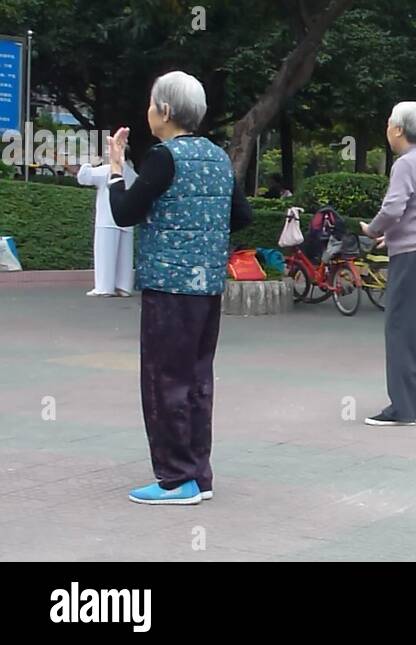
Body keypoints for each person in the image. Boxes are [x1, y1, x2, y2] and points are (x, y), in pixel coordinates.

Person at [105, 71, 252, 505]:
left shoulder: (162, 157)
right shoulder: (217, 157)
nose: (149, 111)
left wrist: (116, 169)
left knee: (163, 379)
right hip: (207, 288)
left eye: (152, 104)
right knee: (196, 380)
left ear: (165, 111)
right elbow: (241, 216)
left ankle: (175, 478)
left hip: (169, 288)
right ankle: (198, 474)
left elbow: (125, 212)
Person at [360, 101, 416, 426]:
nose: (387, 129)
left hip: (413, 257)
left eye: (388, 123)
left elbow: (394, 208)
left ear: (398, 129)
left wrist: (373, 230)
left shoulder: (406, 163)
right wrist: (393, 236)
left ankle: (401, 409)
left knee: (400, 330)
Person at [76, 157, 138, 297]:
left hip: (107, 218)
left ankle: (104, 287)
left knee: (104, 255)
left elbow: (83, 177)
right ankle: (123, 287)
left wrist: (88, 162)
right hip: (126, 220)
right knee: (125, 256)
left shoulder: (106, 170)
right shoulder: (132, 174)